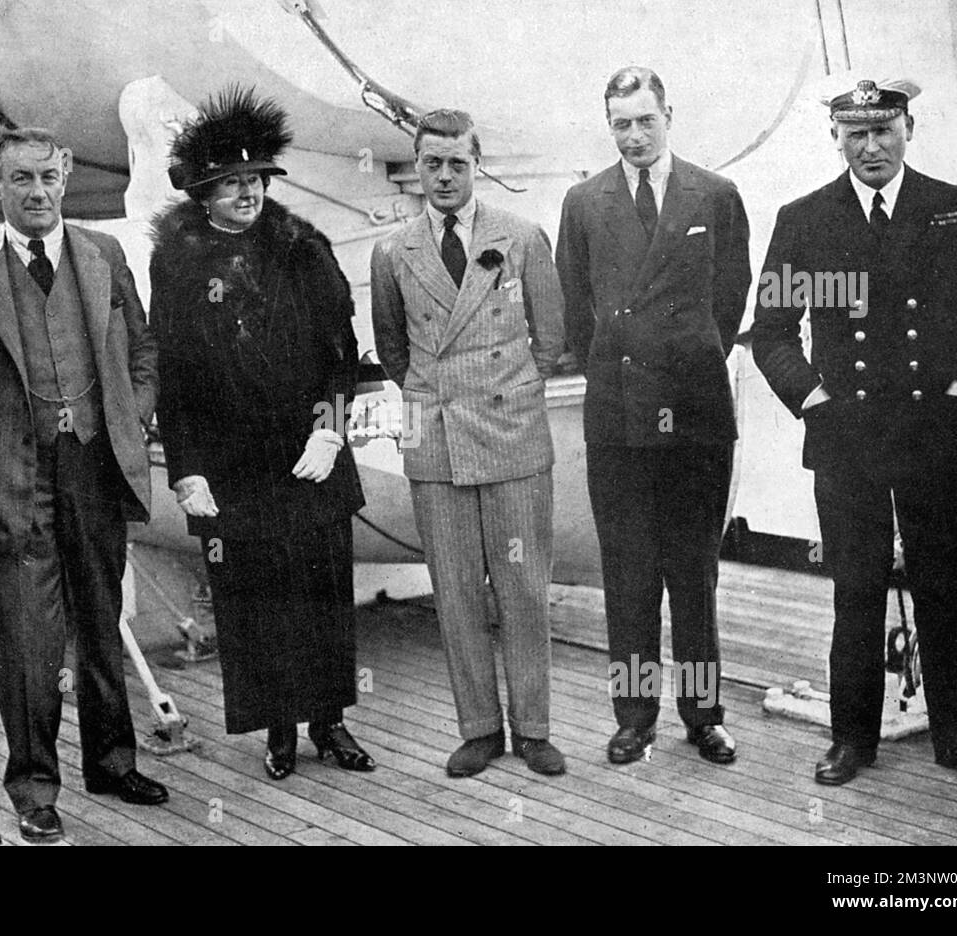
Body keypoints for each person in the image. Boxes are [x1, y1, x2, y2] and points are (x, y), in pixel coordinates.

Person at [752, 78, 957, 792]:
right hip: (848, 442)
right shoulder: (804, 219)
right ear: (835, 138)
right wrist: (813, 400)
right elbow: (771, 333)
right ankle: (852, 740)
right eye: (855, 133)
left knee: (943, 592)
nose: (871, 146)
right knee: (856, 594)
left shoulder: (955, 212)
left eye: (884, 130)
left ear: (909, 128)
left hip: (936, 435)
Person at [150, 87, 374, 781]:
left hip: (311, 454)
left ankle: (329, 721)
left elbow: (343, 353)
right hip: (231, 465)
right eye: (229, 184)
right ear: (202, 191)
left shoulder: (303, 248)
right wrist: (187, 470)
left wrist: (330, 434)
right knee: (254, 600)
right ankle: (278, 729)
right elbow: (173, 374)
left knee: (323, 592)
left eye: (254, 180)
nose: (246, 194)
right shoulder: (177, 262)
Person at [0, 127, 168, 843]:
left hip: (96, 467)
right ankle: (34, 787)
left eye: (48, 176)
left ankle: (112, 763)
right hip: (19, 478)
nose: (37, 192)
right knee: (27, 643)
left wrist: (129, 420)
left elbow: (143, 350)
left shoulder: (106, 257)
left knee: (102, 624)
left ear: (66, 176)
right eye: (21, 179)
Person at [555, 67, 751, 766]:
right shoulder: (583, 203)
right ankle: (634, 716)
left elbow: (729, 300)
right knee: (629, 576)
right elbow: (577, 309)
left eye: (645, 120)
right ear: (608, 126)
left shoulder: (716, 195)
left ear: (670, 114)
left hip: (695, 417)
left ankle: (703, 716)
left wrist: (686, 363)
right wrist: (620, 366)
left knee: (693, 577)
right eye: (620, 124)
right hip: (618, 418)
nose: (634, 136)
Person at [372, 109, 567, 778]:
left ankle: (534, 729)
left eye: (458, 163)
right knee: (453, 590)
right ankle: (479, 729)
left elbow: (551, 341)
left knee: (522, 586)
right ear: (417, 168)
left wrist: (509, 391)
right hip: (436, 437)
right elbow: (394, 350)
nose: (446, 176)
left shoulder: (522, 238)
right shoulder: (392, 252)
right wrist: (434, 395)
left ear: (477, 164)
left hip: (512, 433)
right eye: (433, 164)